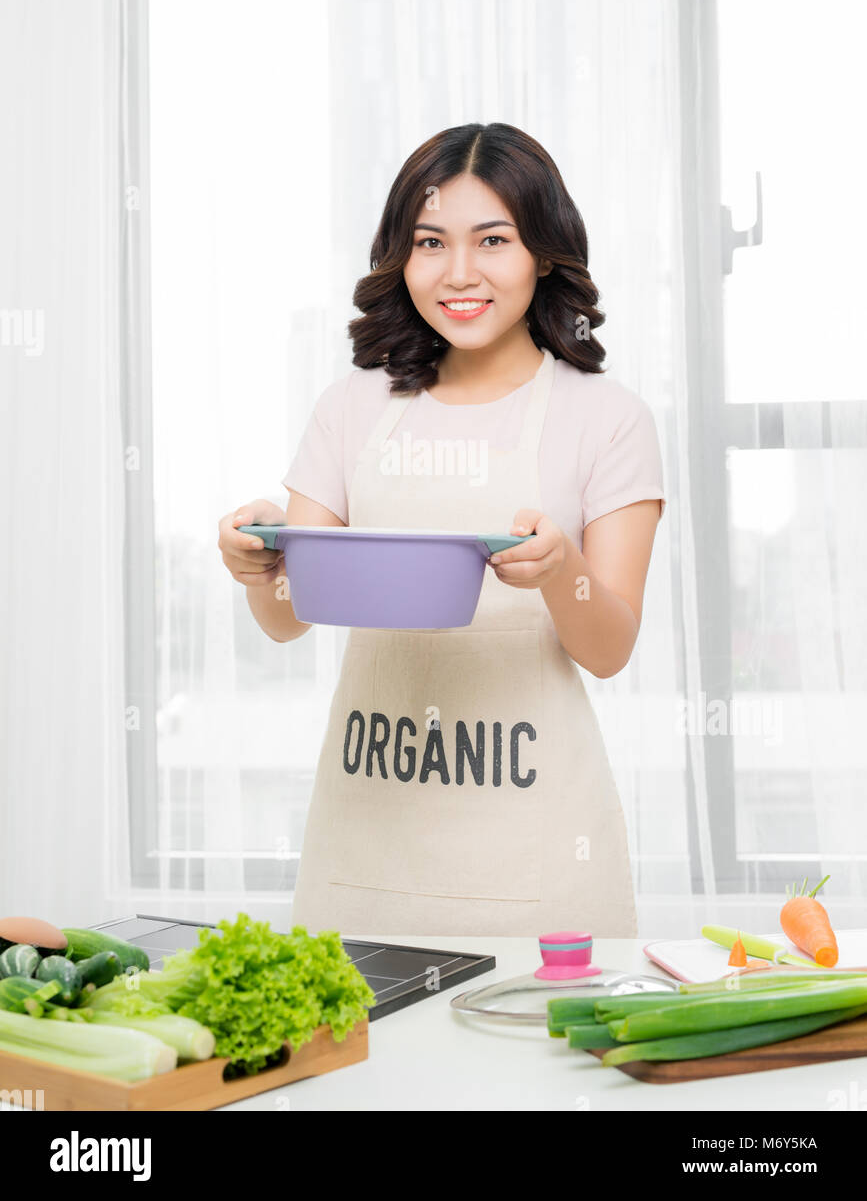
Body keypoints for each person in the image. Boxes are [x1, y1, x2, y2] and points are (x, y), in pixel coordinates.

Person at [218, 121, 666, 937]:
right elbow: (289, 616)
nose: (459, 273)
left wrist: (563, 566)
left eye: (492, 240)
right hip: (365, 841)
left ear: (543, 252)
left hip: (535, 848)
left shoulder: (606, 418)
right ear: (402, 256)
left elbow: (608, 650)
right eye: (431, 242)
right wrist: (260, 564)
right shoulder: (352, 407)